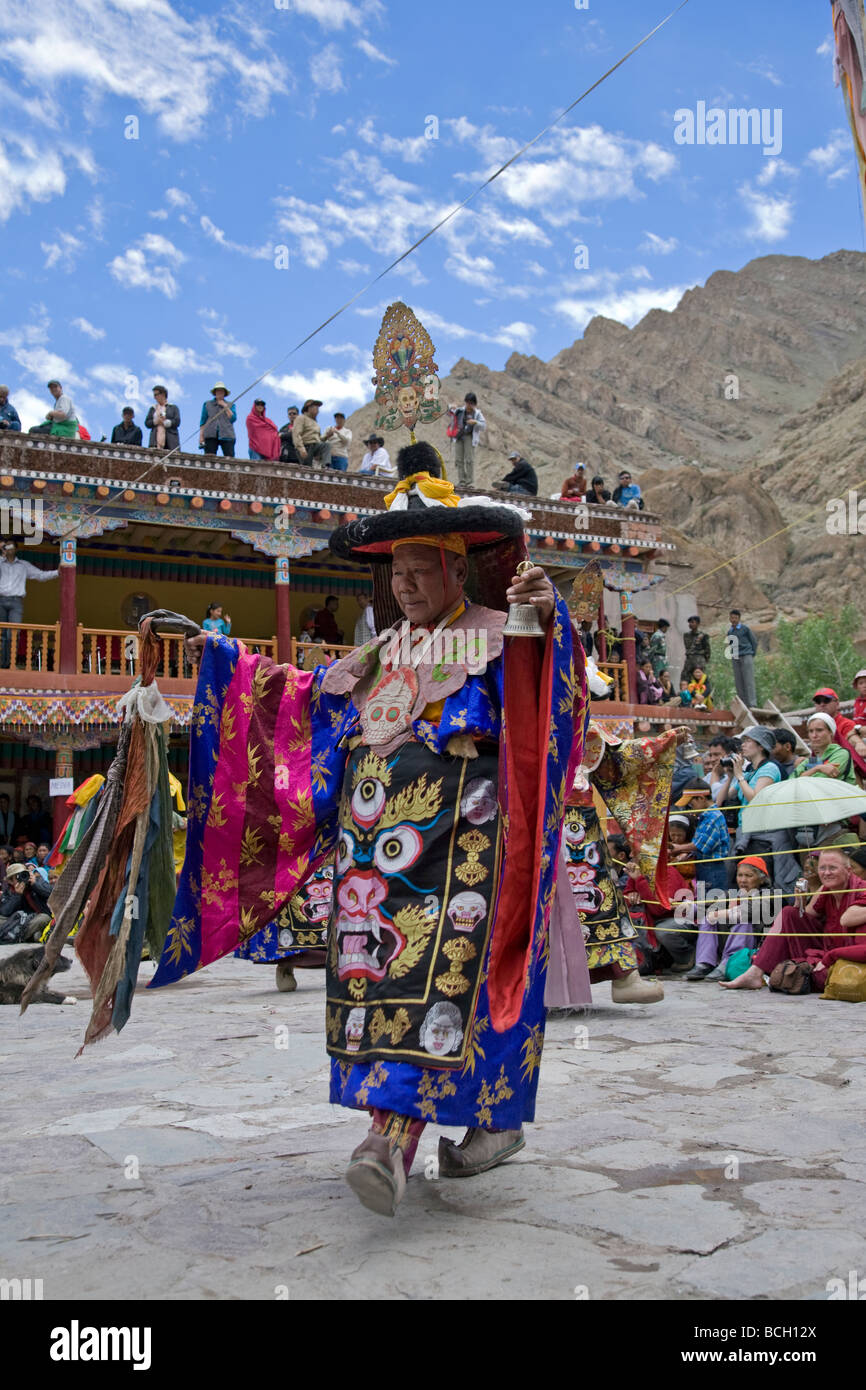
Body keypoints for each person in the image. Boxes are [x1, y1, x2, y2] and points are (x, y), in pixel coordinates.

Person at [153, 439, 583, 1217]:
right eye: (396, 573)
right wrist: (223, 660)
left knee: (440, 986)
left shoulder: (500, 628)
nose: (407, 585)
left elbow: (549, 697)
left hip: (465, 854)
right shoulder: (385, 649)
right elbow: (307, 695)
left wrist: (549, 617)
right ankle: (479, 1124)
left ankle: (391, 1142)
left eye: (422, 571)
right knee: (378, 982)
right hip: (372, 864)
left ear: (458, 568)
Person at [723, 849, 866, 991]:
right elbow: (804, 918)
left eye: (833, 868)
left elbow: (846, 921)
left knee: (813, 976)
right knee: (789, 913)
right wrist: (800, 902)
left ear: (848, 870)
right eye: (822, 868)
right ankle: (755, 972)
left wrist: (829, 957)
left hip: (847, 952)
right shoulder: (826, 890)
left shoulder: (861, 889)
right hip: (826, 946)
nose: (826, 873)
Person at [686, 855, 768, 981]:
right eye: (740, 875)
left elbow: (748, 911)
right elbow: (709, 905)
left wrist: (722, 913)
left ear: (761, 879)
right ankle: (704, 963)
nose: (743, 880)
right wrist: (689, 906)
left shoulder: (768, 894)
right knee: (707, 919)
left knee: (744, 921)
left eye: (749, 876)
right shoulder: (733, 894)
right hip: (726, 940)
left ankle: (728, 964)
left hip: (753, 945)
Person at [0, 542, 59, 668]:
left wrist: (57, 572)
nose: (8, 549)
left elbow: (40, 575)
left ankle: (11, 663)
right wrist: (2, 555)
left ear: (16, 549)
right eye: (6, 546)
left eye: (10, 546)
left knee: (13, 634)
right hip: (1, 600)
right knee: (3, 635)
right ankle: (2, 664)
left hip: (16, 602)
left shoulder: (23, 565)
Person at [810, 687, 866, 774]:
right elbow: (815, 755)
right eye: (818, 701)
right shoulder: (813, 726)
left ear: (837, 703)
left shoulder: (847, 724)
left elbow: (849, 754)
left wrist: (858, 742)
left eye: (826, 700)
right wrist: (811, 767)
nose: (822, 704)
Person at [791, 713, 858, 784]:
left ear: (831, 733)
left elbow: (818, 782)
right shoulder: (813, 760)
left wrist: (808, 772)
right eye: (811, 731)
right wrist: (817, 769)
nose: (814, 735)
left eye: (819, 730)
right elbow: (791, 781)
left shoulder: (841, 753)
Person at [0, 862, 52, 943]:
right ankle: (30, 936)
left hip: (38, 917)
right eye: (17, 876)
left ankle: (15, 938)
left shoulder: (37, 881)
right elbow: (5, 913)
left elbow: (51, 893)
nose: (22, 878)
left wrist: (35, 885)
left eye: (23, 874)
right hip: (20, 920)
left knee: (43, 918)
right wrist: (17, 895)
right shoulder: (9, 892)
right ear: (10, 881)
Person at [450, 392, 486, 488]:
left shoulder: (477, 414)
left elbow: (483, 426)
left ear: (474, 404)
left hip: (469, 437)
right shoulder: (460, 411)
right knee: (459, 459)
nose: (469, 405)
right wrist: (451, 407)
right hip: (459, 436)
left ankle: (469, 482)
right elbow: (451, 411)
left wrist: (475, 422)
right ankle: (461, 481)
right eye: (467, 403)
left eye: (471, 403)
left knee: (469, 459)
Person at [726, 608, 758, 709]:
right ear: (729, 619)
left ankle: (752, 704)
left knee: (748, 680)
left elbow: (754, 642)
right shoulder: (730, 631)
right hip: (735, 657)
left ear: (739, 618)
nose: (734, 619)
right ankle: (743, 704)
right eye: (732, 618)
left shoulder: (745, 629)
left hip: (746, 655)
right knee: (739, 682)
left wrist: (751, 653)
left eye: (736, 618)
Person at [199, 382, 236, 458]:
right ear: (215, 392)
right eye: (218, 391)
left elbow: (233, 418)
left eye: (221, 391)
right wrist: (201, 436)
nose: (219, 393)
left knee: (230, 458)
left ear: (224, 393)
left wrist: (224, 406)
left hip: (227, 435)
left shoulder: (231, 404)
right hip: (210, 434)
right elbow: (203, 421)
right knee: (209, 458)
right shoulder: (207, 404)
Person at [291, 399, 331, 469]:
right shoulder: (301, 418)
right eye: (315, 407)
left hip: (315, 446)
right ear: (309, 408)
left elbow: (319, 439)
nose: (317, 409)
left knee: (326, 445)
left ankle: (326, 466)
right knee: (306, 468)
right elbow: (296, 434)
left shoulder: (316, 423)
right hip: (306, 447)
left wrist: (327, 436)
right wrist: (301, 449)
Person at [145, 385, 180, 451]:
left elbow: (177, 421)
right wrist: (156, 421)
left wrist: (165, 422)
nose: (154, 397)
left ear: (163, 394)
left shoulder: (173, 407)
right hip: (155, 442)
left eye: (156, 395)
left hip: (171, 443)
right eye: (154, 395)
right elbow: (147, 423)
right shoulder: (153, 409)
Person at [681, 615, 710, 684]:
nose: (690, 624)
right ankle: (686, 693)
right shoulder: (686, 635)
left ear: (698, 623)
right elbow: (687, 647)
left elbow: (707, 649)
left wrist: (706, 659)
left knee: (700, 679)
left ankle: (701, 693)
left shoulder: (703, 635)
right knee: (685, 677)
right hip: (689, 660)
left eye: (692, 622)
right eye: (690, 622)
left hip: (699, 660)